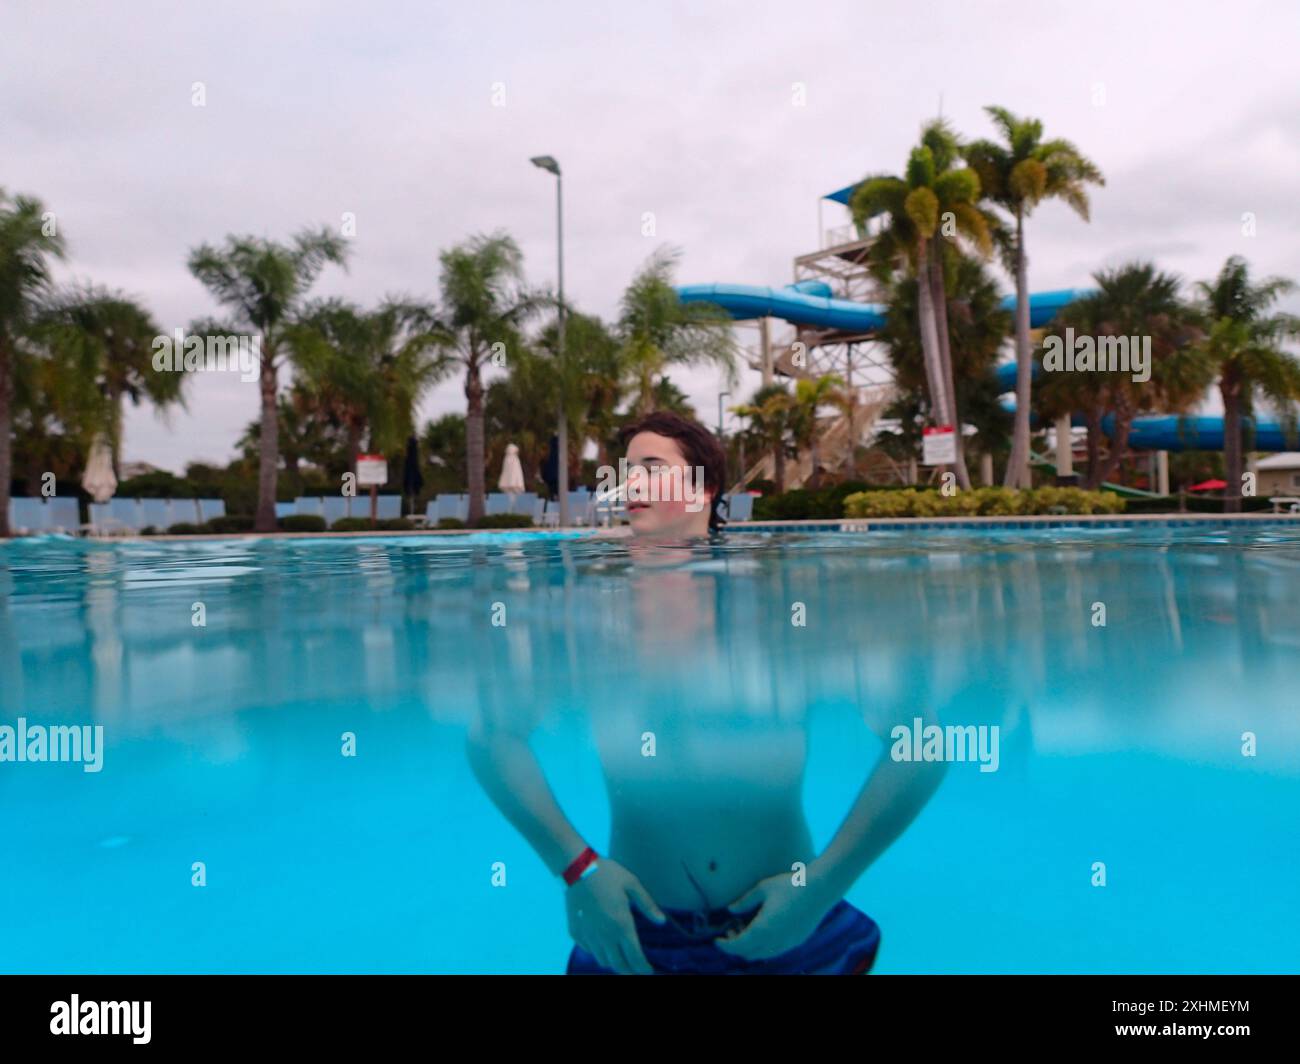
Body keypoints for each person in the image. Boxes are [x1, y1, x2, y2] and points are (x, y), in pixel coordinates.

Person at [467, 410, 946, 974]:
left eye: (651, 467)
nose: (630, 484)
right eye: (626, 471)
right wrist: (578, 870)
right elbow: (492, 736)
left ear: (704, 486)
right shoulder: (584, 615)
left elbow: (922, 742)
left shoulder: (777, 604)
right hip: (639, 939)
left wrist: (822, 887)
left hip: (793, 924)